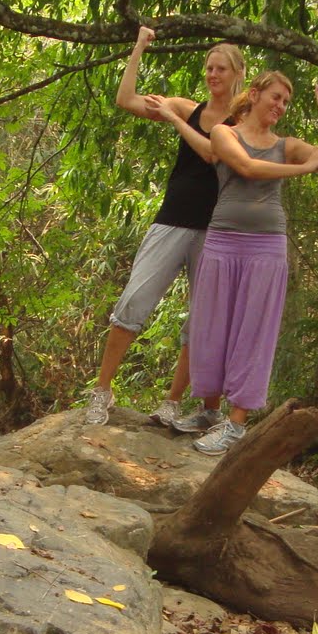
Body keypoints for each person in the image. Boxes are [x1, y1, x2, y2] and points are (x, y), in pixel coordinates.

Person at [160, 71, 318, 454]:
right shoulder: (224, 133)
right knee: (211, 328)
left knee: (253, 332)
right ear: (255, 94)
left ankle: (236, 424)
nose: (280, 106)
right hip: (223, 241)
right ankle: (209, 412)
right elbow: (247, 168)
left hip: (266, 248)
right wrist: (302, 169)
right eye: (275, 97)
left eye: (286, 102)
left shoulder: (285, 145)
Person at [83, 26, 246, 426]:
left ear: (237, 74)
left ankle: (174, 404)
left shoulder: (242, 124)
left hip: (217, 229)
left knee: (203, 320)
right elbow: (125, 99)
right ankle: (101, 391)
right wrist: (138, 47)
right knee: (133, 303)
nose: (212, 75)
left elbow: (212, 154)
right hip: (172, 219)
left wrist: (174, 119)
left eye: (221, 69)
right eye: (209, 67)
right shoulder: (186, 107)